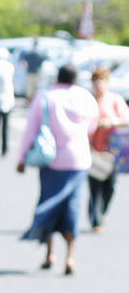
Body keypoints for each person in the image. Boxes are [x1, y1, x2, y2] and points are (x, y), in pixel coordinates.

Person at [16, 63, 99, 275]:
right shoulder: (85, 97)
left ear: (57, 77)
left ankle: (49, 254)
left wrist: (21, 158)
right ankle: (70, 256)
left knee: (49, 203)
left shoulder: (46, 97)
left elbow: (31, 130)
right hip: (79, 160)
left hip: (52, 160)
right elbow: (92, 126)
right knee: (72, 206)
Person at [88, 65, 129, 233]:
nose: (99, 84)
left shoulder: (115, 100)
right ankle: (96, 220)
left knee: (110, 186)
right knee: (94, 186)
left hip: (112, 152)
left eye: (102, 80)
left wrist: (110, 122)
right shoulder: (89, 100)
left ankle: (102, 212)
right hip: (92, 149)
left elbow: (125, 119)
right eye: (96, 80)